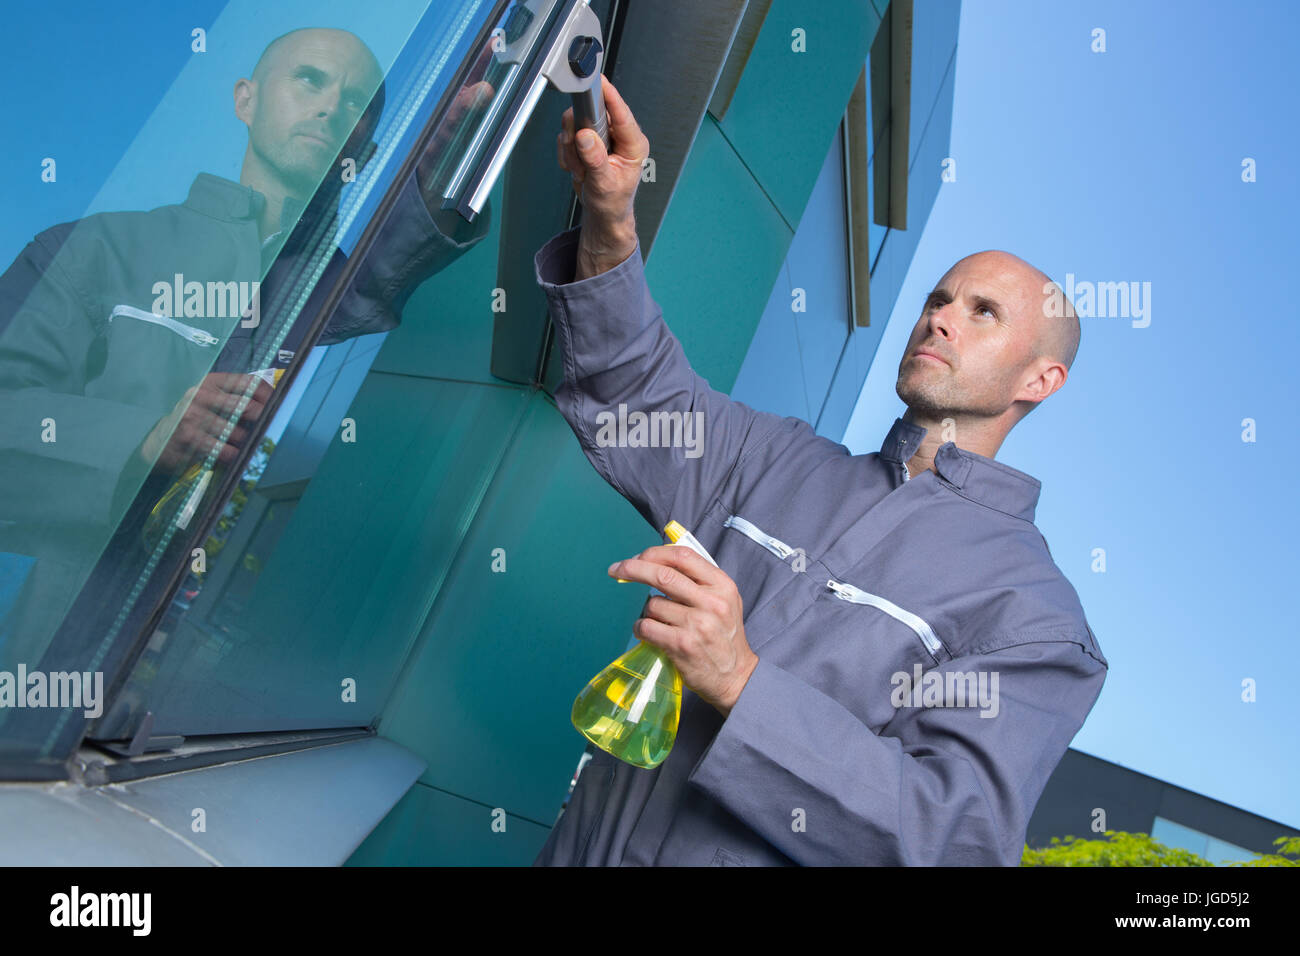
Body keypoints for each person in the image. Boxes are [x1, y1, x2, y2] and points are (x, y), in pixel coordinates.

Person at [532, 79, 1107, 866]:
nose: (938, 316)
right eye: (939, 297)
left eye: (984, 312)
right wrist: (610, 221)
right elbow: (633, 393)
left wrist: (740, 682)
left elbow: (948, 840)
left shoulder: (1034, 618)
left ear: (1039, 381)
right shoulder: (775, 460)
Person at [0, 27, 492, 671]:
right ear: (245, 100)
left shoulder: (339, 301)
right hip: (45, 679)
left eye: (357, 102)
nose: (329, 107)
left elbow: (387, 268)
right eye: (310, 80)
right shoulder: (94, 251)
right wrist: (144, 438)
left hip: (217, 703)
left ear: (369, 144)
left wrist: (439, 177)